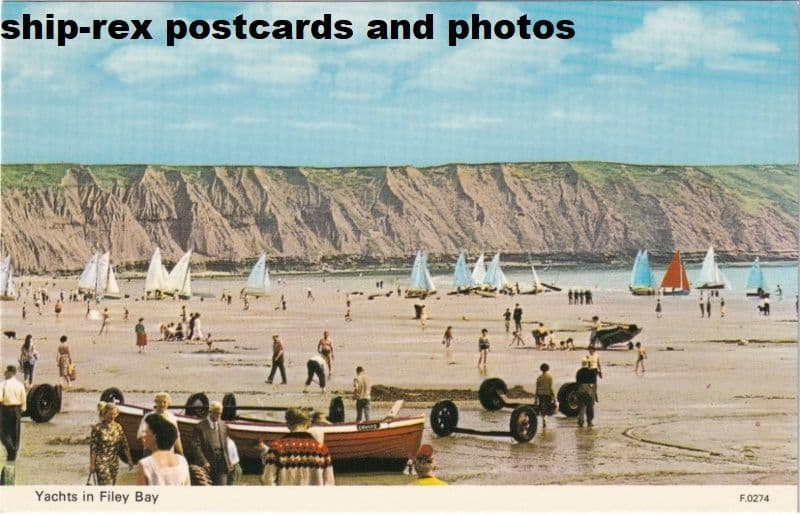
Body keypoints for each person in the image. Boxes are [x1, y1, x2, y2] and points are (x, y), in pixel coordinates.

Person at [258, 407, 334, 486]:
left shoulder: (277, 447)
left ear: (288, 424)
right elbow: (329, 483)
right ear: (308, 424)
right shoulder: (322, 449)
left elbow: (267, 480)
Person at [137, 414, 190, 485]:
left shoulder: (145, 464)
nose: (143, 435)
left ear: (155, 436)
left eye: (146, 432)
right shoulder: (182, 461)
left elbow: (140, 495)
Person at [90, 403, 133, 485]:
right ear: (104, 413)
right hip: (101, 462)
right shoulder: (97, 428)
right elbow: (93, 448)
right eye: (110, 414)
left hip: (114, 462)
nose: (112, 416)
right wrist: (92, 465)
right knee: (106, 486)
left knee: (112, 486)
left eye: (114, 414)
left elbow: (124, 444)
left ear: (117, 414)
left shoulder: (118, 427)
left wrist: (129, 460)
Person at [189, 401, 231, 486]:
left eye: (219, 414)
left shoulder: (223, 425)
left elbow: (226, 445)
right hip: (207, 464)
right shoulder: (200, 426)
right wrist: (203, 461)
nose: (218, 416)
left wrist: (229, 461)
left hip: (221, 464)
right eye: (215, 413)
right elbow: (195, 446)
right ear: (210, 412)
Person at [0, 365, 26, 463]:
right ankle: (13, 455)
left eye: (6, 372)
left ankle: (10, 450)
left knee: (3, 432)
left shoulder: (3, 384)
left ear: (9, 373)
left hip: (5, 409)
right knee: (15, 433)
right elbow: (23, 399)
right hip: (17, 409)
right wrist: (22, 409)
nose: (5, 374)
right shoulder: (20, 385)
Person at [575, 359, 596, 428]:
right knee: (590, 407)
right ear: (588, 364)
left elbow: (577, 383)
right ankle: (589, 422)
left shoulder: (579, 372)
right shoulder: (592, 371)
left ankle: (581, 421)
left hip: (580, 390)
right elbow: (593, 384)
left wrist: (576, 393)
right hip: (588, 390)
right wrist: (594, 394)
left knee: (581, 407)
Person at [535, 363, 556, 429]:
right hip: (547, 394)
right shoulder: (550, 377)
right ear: (548, 369)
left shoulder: (539, 378)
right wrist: (554, 397)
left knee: (542, 408)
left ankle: (543, 419)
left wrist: (535, 398)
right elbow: (551, 388)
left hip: (540, 394)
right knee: (547, 408)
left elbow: (537, 388)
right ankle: (545, 420)